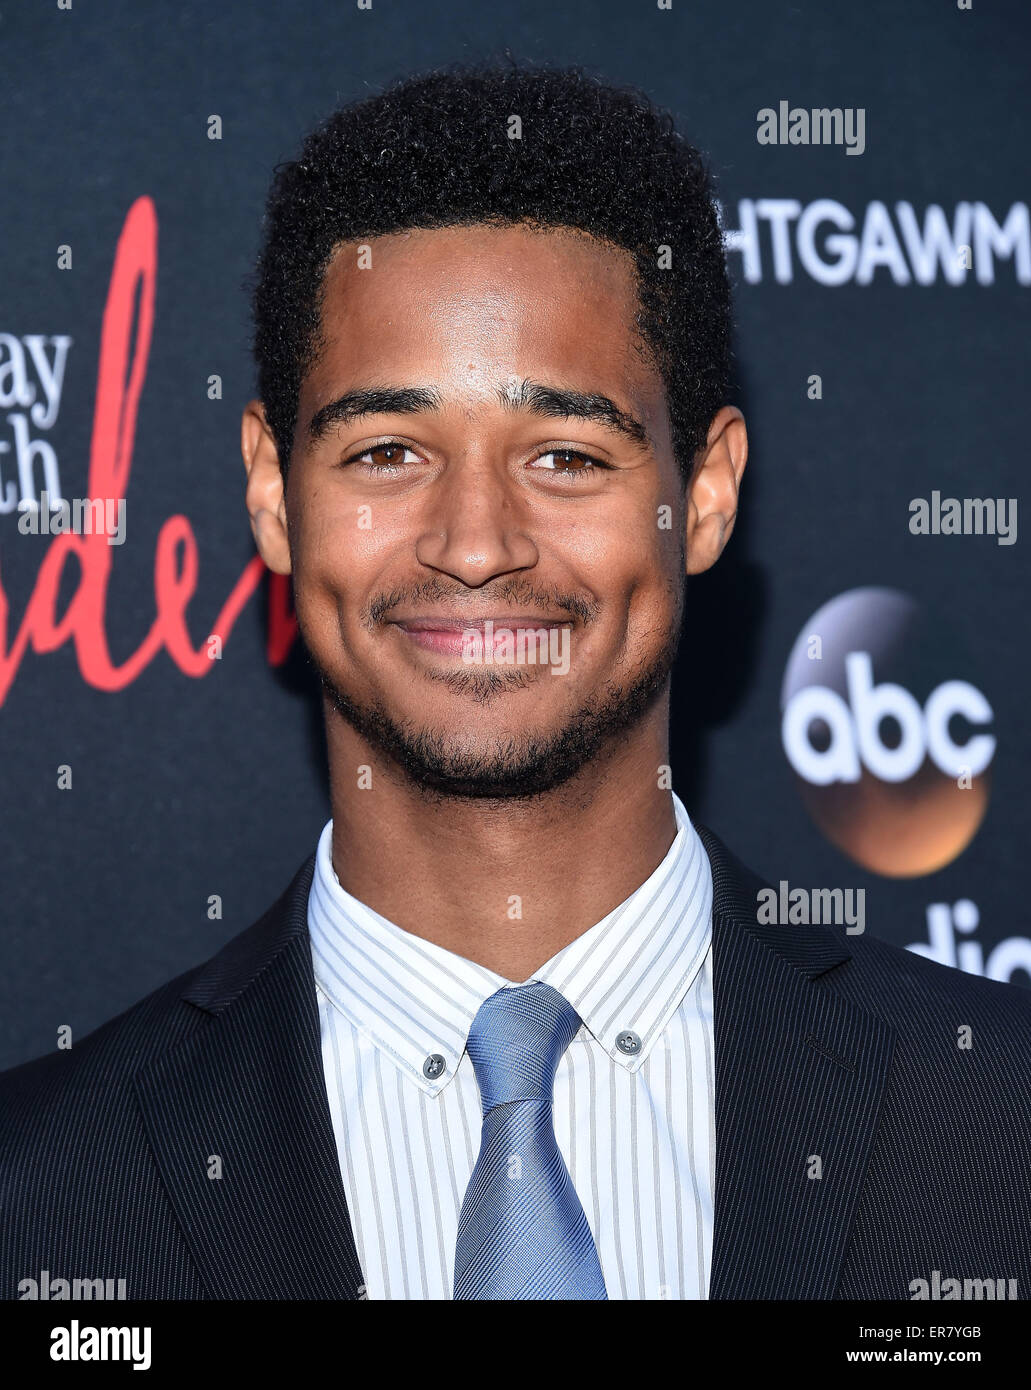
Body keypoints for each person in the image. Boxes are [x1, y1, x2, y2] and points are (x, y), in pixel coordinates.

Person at [2, 63, 1029, 1303]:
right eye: (387, 451)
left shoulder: (992, 1122)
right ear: (274, 491)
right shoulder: (41, 1191)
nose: (475, 541)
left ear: (701, 493)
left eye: (563, 454)